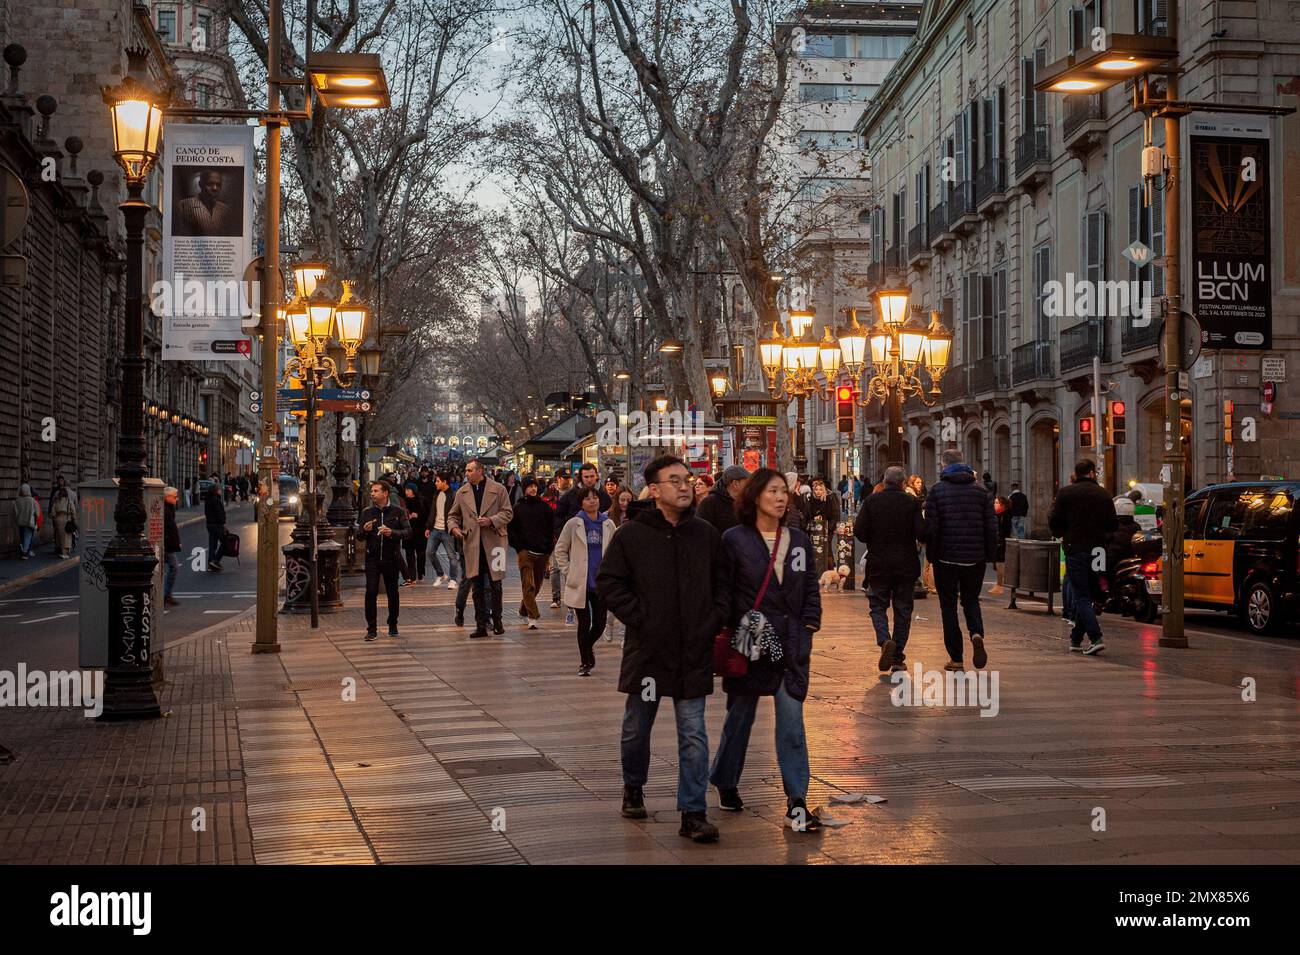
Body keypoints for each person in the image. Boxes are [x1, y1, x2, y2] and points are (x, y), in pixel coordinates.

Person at [597, 455, 728, 844]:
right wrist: (642, 617)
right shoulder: (632, 535)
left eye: (687, 480)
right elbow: (608, 583)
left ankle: (693, 811)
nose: (685, 486)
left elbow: (724, 584)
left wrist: (713, 619)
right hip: (650, 653)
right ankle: (633, 787)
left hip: (693, 652)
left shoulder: (705, 534)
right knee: (637, 727)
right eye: (674, 481)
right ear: (654, 490)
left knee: (693, 732)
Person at [710, 469, 823, 831]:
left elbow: (810, 589)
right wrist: (729, 624)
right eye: (773, 491)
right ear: (755, 496)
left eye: (783, 492)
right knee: (740, 718)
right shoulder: (734, 540)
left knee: (791, 722)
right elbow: (724, 591)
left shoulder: (800, 541)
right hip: (751, 638)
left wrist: (809, 625)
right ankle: (726, 780)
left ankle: (797, 798)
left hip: (790, 642)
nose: (780, 498)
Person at [925, 448, 998, 671]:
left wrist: (932, 555)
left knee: (948, 606)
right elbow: (991, 527)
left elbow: (932, 528)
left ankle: (956, 658)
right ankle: (976, 633)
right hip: (974, 559)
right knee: (971, 600)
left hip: (946, 559)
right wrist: (989, 554)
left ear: (944, 465)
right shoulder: (982, 492)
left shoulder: (936, 491)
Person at [854, 466, 927, 673]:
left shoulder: (871, 502)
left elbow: (860, 532)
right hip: (905, 565)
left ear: (884, 482)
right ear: (904, 484)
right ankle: (897, 657)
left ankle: (884, 639)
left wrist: (874, 539)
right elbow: (921, 532)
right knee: (903, 610)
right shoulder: (911, 503)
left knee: (877, 606)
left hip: (878, 564)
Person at [1049, 459, 1118, 655]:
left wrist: (1064, 535)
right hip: (1098, 550)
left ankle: (1095, 637)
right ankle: (1076, 639)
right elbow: (1113, 524)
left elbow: (1055, 521)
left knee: (1081, 595)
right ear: (1092, 473)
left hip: (1075, 548)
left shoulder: (1065, 493)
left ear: (1077, 473)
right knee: (1092, 594)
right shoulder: (1104, 494)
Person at [553, 486, 616, 675]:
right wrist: (568, 570)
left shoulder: (608, 524)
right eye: (587, 498)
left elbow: (615, 551)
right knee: (584, 622)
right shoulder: (574, 523)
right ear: (581, 502)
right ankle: (585, 662)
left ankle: (587, 649)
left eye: (595, 498)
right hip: (580, 582)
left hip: (601, 582)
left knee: (600, 623)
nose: (592, 501)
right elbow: (560, 549)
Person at [448, 458, 514, 638]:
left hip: (495, 543)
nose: (466, 474)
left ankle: (497, 621)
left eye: (470, 470)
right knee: (476, 585)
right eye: (466, 471)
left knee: (495, 585)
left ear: (480, 471)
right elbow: (452, 515)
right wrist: (454, 528)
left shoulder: (498, 489)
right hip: (472, 543)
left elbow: (508, 512)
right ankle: (480, 624)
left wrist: (491, 520)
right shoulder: (462, 493)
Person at [357, 480, 411, 640]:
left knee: (392, 592)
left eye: (375, 491)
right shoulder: (367, 512)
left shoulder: (397, 512)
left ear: (385, 493)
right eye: (372, 491)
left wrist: (392, 532)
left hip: (391, 558)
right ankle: (371, 628)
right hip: (372, 558)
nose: (372, 494)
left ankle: (392, 623)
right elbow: (359, 536)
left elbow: (408, 532)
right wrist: (364, 530)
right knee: (371, 592)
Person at [507, 476, 554, 629]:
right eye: (529, 486)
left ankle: (523, 609)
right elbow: (511, 530)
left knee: (537, 586)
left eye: (534, 486)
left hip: (542, 553)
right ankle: (533, 617)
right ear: (524, 489)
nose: (533, 489)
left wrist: (548, 549)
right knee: (528, 585)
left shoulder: (545, 507)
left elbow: (551, 528)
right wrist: (519, 547)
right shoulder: (518, 507)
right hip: (525, 552)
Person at [424, 472, 459, 589]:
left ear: (445, 482)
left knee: (451, 556)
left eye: (438, 481)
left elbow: (457, 514)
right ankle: (441, 574)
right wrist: (428, 526)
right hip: (435, 529)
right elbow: (433, 511)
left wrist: (454, 527)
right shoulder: (437, 493)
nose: (436, 483)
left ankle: (453, 580)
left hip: (447, 530)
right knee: (429, 552)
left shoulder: (453, 495)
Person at [696, 465, 749, 534]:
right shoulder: (710, 503)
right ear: (736, 484)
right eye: (747, 482)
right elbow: (700, 531)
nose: (749, 485)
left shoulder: (745, 502)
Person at [549, 471, 574, 608]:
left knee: (569, 567)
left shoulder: (575, 494)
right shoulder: (550, 495)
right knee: (555, 568)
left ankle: (569, 597)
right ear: (558, 479)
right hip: (555, 536)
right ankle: (556, 597)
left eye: (569, 478)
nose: (568, 481)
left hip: (571, 536)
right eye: (565, 478)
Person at [399, 484, 427, 585]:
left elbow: (426, 514)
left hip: (420, 530)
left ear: (414, 490)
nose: (407, 492)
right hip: (408, 530)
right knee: (409, 554)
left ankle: (420, 574)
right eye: (406, 489)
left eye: (409, 490)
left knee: (421, 554)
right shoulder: (404, 502)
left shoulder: (422, 500)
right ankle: (412, 576)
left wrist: (418, 515)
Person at [49, 476, 78, 559]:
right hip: (67, 519)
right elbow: (74, 510)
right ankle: (66, 551)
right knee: (67, 536)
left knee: (60, 536)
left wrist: (53, 517)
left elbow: (53, 510)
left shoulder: (57, 501)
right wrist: (73, 518)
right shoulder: (69, 500)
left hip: (58, 519)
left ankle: (61, 551)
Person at [163, 486, 182, 607]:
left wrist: (177, 542)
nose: (177, 499)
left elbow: (172, 528)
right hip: (165, 546)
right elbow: (167, 529)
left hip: (168, 545)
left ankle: (166, 595)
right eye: (175, 497)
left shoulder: (170, 508)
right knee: (173, 567)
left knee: (172, 567)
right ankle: (165, 595)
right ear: (167, 497)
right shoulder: (164, 510)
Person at [989, 495, 1012, 595]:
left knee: (1000, 563)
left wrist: (1000, 539)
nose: (994, 504)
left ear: (1003, 505)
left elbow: (1004, 530)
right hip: (998, 541)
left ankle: (1000, 585)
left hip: (1001, 542)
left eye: (997, 503)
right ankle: (998, 583)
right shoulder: (999, 514)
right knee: (997, 563)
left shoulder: (1004, 515)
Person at [204, 481, 227, 572]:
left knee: (212, 545)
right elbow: (219, 513)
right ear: (216, 491)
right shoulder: (215, 500)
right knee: (225, 542)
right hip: (216, 525)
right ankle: (215, 560)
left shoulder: (208, 499)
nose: (221, 491)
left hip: (210, 524)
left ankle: (211, 564)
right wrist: (223, 523)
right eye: (219, 489)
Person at [13, 483, 38, 559]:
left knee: (22, 536)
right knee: (28, 536)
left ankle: (24, 550)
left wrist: (16, 519)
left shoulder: (17, 500)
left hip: (20, 521)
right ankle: (24, 553)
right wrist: (36, 517)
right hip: (29, 521)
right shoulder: (32, 500)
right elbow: (37, 512)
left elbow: (15, 511)